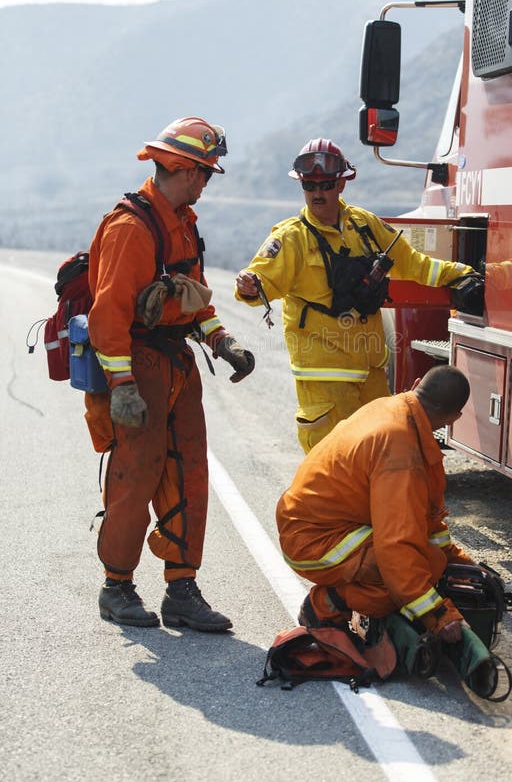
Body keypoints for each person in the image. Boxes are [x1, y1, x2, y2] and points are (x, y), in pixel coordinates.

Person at [85, 116, 255, 631]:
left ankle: (182, 588)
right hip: (139, 367)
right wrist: (122, 386)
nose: (206, 182)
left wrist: (223, 340)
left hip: (177, 366)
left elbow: (195, 296)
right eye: (203, 172)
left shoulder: (183, 221)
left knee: (188, 472)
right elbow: (107, 316)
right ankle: (117, 587)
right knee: (135, 474)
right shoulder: (130, 228)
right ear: (180, 168)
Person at [235, 138, 475, 453]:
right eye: (310, 185)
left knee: (376, 464)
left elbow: (414, 264)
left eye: (326, 184)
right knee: (333, 476)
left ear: (342, 185)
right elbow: (261, 280)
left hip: (371, 375)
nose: (317, 192)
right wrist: (249, 287)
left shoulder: (364, 225)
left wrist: (459, 272)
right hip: (324, 382)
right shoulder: (291, 238)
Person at [276, 365, 476, 643]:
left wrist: (461, 564)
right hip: (314, 542)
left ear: (416, 384)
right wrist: (438, 616)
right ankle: (327, 604)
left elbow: (426, 518)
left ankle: (352, 596)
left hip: (308, 525)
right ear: (455, 417)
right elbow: (397, 547)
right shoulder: (401, 450)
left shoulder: (392, 408)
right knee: (422, 566)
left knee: (429, 560)